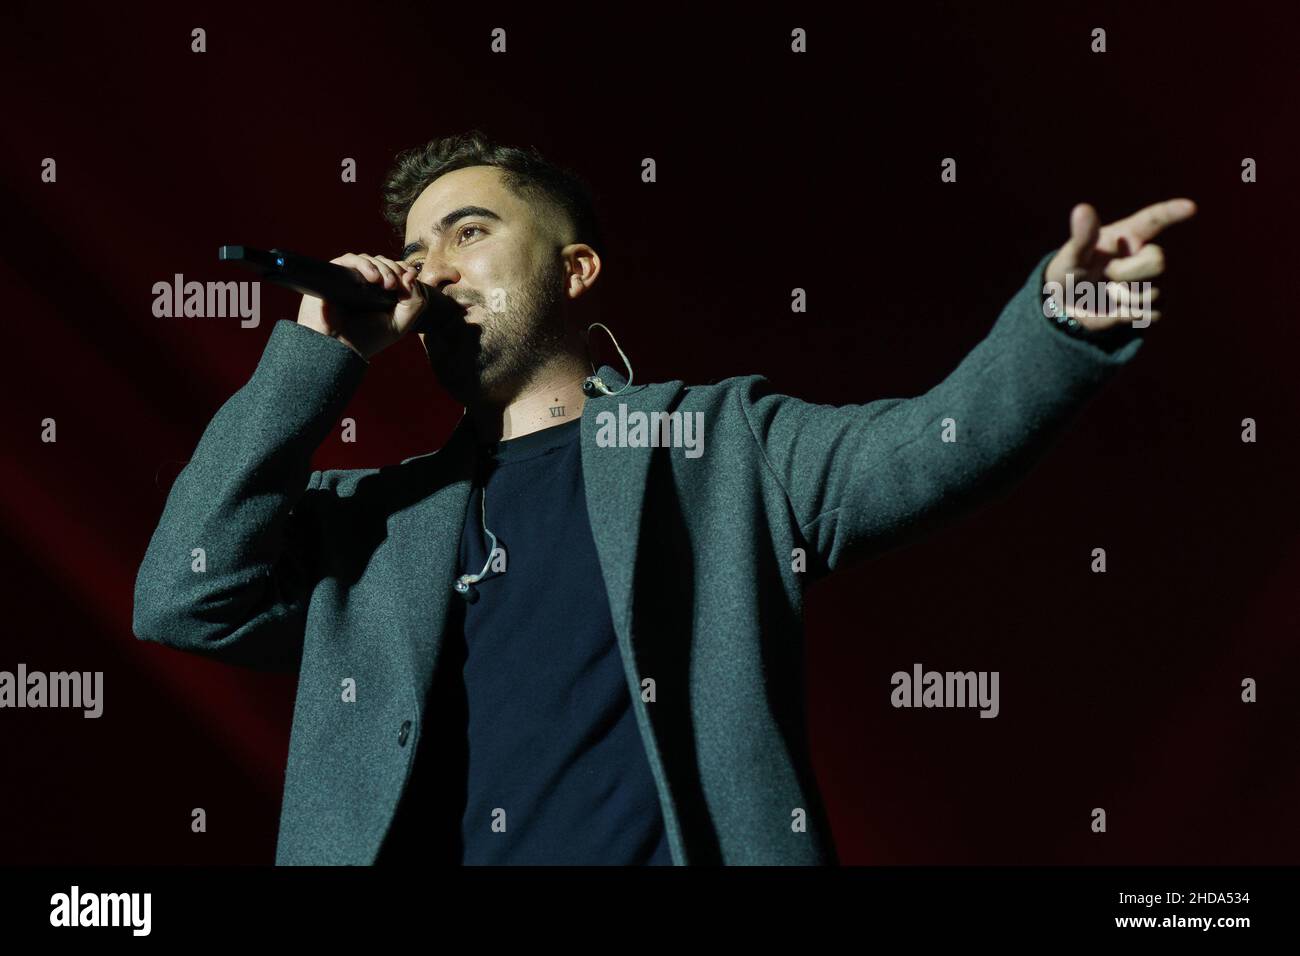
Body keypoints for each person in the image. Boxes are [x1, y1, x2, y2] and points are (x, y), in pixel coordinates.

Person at [132, 129, 1196, 865]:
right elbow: (185, 596)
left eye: (466, 232)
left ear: (578, 268)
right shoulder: (369, 524)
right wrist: (317, 357)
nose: (432, 269)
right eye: (414, 250)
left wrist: (1060, 324)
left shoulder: (717, 447)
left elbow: (932, 444)